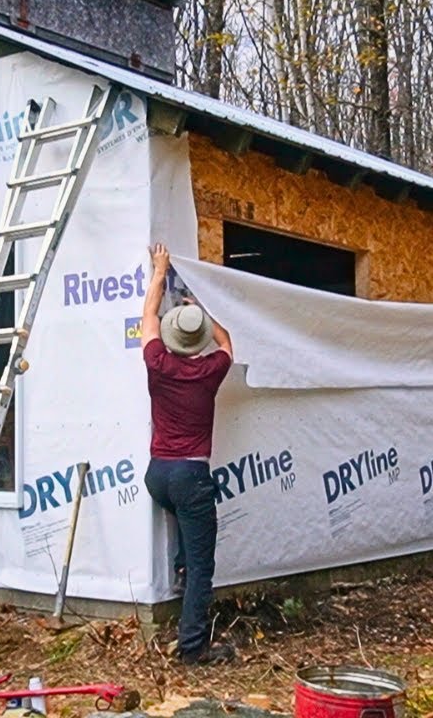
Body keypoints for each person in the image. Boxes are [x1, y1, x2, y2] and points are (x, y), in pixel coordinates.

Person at [140, 243, 236, 665]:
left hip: (157, 476)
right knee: (202, 567)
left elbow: (147, 318)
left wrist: (160, 271)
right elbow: (227, 341)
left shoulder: (157, 362)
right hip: (190, 477)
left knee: (184, 521)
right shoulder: (210, 371)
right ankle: (193, 647)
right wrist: (204, 306)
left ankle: (180, 566)